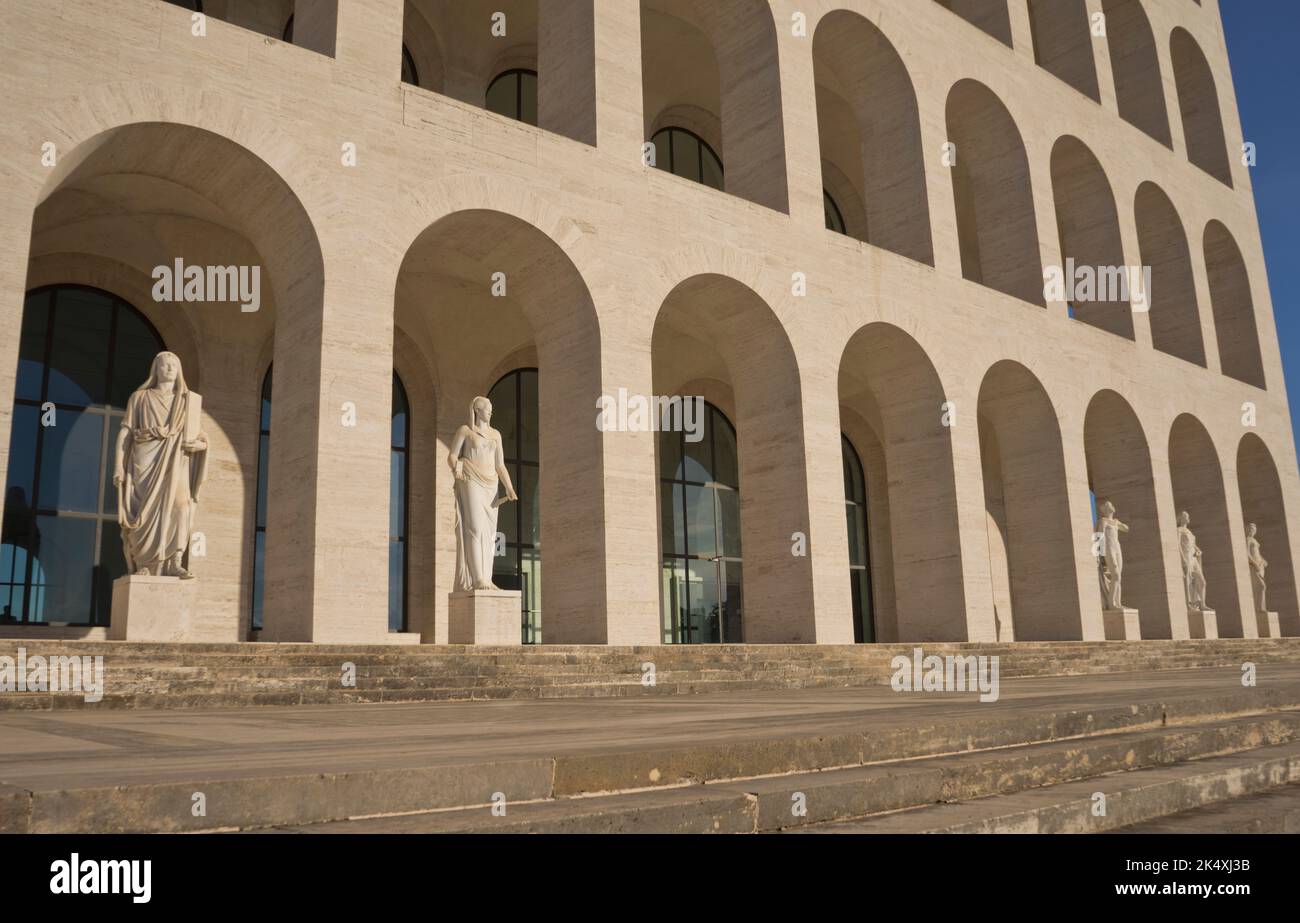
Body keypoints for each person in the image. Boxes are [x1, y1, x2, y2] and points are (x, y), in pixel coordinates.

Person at [113, 352, 207, 578]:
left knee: (182, 507)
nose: (170, 368)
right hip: (145, 460)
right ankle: (144, 563)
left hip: (176, 461)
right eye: (165, 365)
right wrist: (118, 465)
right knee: (144, 513)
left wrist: (200, 445)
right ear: (156, 369)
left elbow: (201, 436)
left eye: (174, 365)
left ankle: (175, 561)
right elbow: (126, 432)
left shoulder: (186, 401)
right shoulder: (140, 397)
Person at [448, 396, 517, 591]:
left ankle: (487, 578)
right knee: (475, 528)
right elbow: (452, 455)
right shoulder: (466, 431)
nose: (490, 412)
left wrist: (509, 487)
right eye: (487, 409)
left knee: (489, 533)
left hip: (491, 484)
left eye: (491, 409)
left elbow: (500, 465)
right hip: (470, 479)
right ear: (477, 410)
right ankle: (478, 579)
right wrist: (457, 470)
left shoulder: (496, 435)